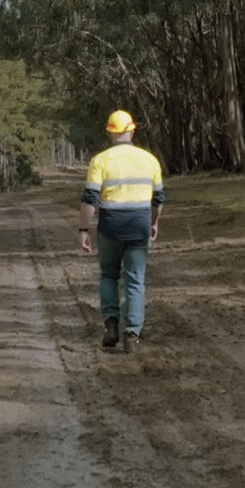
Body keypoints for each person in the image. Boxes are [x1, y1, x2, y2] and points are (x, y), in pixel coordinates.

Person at [77, 109, 164, 353]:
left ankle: (111, 325)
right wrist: (154, 222)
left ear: (109, 133)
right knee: (135, 281)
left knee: (108, 275)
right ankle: (132, 335)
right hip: (139, 226)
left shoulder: (100, 161)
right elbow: (158, 199)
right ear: (132, 130)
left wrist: (83, 229)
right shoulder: (149, 160)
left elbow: (90, 199)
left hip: (110, 227)